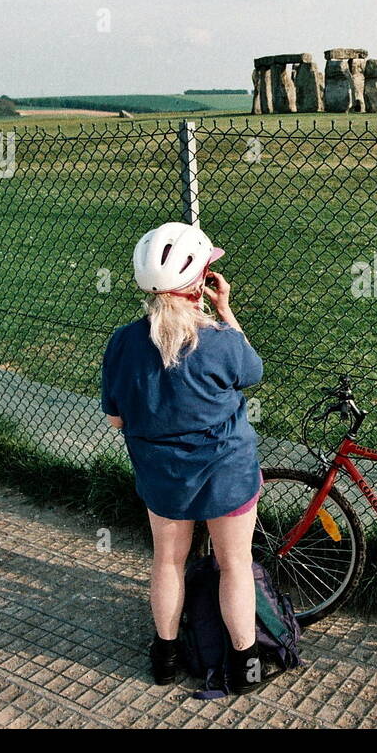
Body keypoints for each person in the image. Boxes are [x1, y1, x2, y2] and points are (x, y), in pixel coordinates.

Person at [100, 221, 267, 692]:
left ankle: (165, 659)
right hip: (227, 474)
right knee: (235, 564)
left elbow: (117, 421)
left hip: (162, 478)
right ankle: (245, 663)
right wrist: (226, 310)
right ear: (198, 284)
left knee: (167, 561)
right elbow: (250, 373)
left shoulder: (123, 343)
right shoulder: (220, 341)